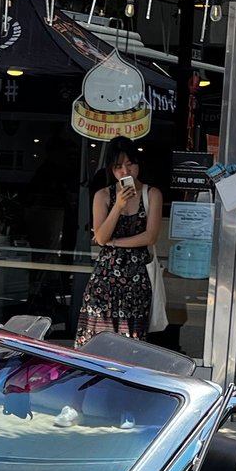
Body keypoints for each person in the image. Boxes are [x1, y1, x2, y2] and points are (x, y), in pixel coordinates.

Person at [77, 136, 160, 341]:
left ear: (138, 164)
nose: (125, 171)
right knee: (97, 339)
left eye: (130, 164)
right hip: (104, 279)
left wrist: (114, 243)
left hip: (137, 278)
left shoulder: (152, 194)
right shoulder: (103, 195)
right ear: (111, 169)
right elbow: (101, 236)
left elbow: (150, 237)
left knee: (132, 338)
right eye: (118, 166)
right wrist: (118, 206)